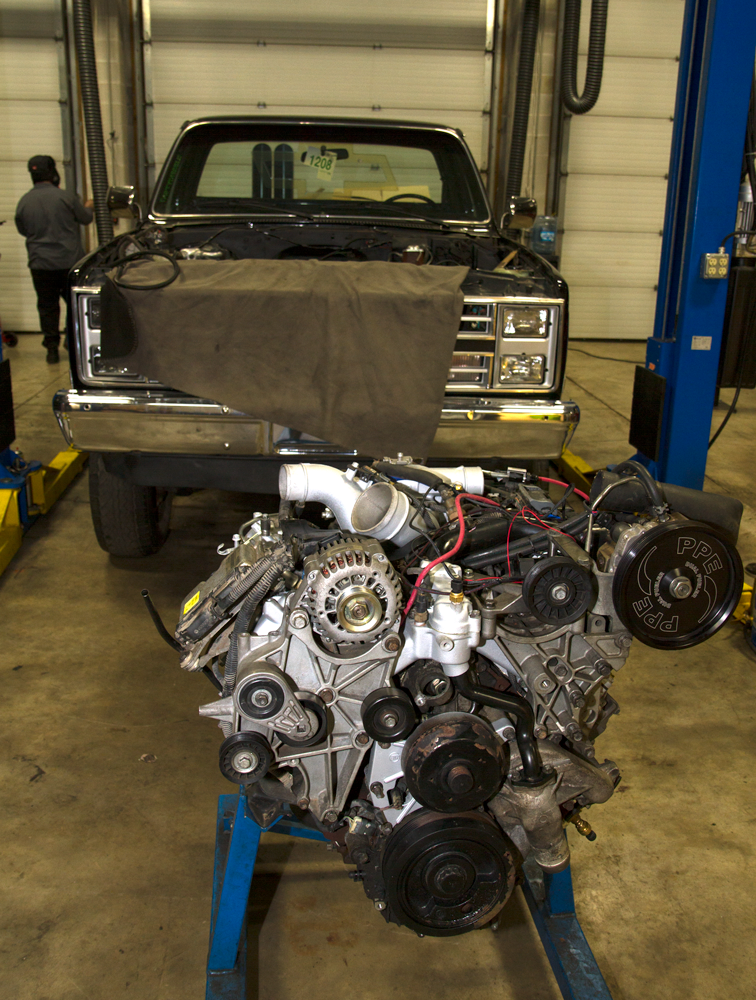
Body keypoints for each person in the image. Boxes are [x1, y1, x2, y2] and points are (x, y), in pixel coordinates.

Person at [15, 155, 94, 364]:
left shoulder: (24, 201)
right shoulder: (66, 198)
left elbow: (23, 229)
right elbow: (86, 218)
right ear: (53, 173)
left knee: (47, 306)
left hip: (40, 264)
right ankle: (72, 341)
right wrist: (88, 206)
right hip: (68, 263)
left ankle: (51, 348)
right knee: (73, 304)